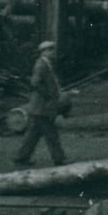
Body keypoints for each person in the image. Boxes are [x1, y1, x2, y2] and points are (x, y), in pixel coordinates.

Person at [16, 40, 69, 170]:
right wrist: (48, 96)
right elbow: (35, 83)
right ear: (43, 52)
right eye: (50, 50)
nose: (52, 52)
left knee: (32, 134)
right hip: (42, 106)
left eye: (52, 49)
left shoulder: (47, 63)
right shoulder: (41, 65)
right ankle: (59, 159)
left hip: (39, 107)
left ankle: (21, 157)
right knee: (51, 134)